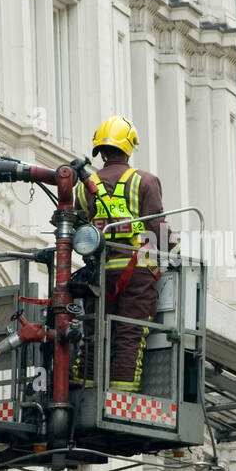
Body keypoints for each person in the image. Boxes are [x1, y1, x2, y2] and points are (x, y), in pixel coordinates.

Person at [73, 115, 166, 391]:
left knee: (93, 330)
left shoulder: (83, 189)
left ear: (100, 151)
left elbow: (78, 229)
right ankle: (121, 396)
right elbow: (159, 230)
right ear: (129, 147)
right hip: (136, 272)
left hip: (99, 272)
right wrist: (174, 257)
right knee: (129, 333)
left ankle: (84, 385)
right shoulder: (145, 182)